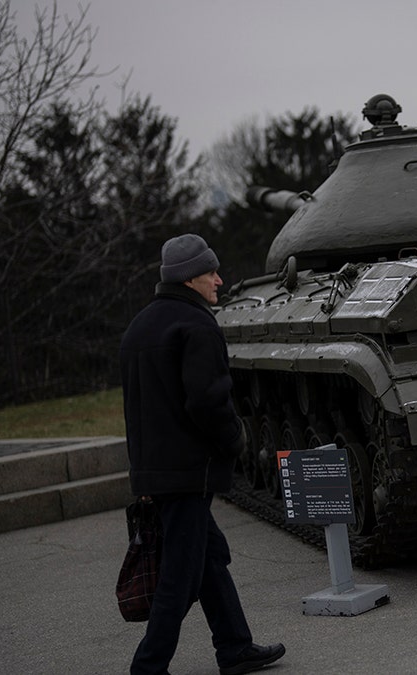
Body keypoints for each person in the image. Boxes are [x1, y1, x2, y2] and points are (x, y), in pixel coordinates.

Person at [120, 233, 285, 675]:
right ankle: (148, 666)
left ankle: (235, 646)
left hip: (156, 471)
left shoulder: (140, 326)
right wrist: (234, 441)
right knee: (181, 573)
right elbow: (208, 401)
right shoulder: (196, 325)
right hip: (189, 471)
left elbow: (136, 408)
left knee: (208, 556)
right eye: (211, 272)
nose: (219, 279)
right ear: (191, 277)